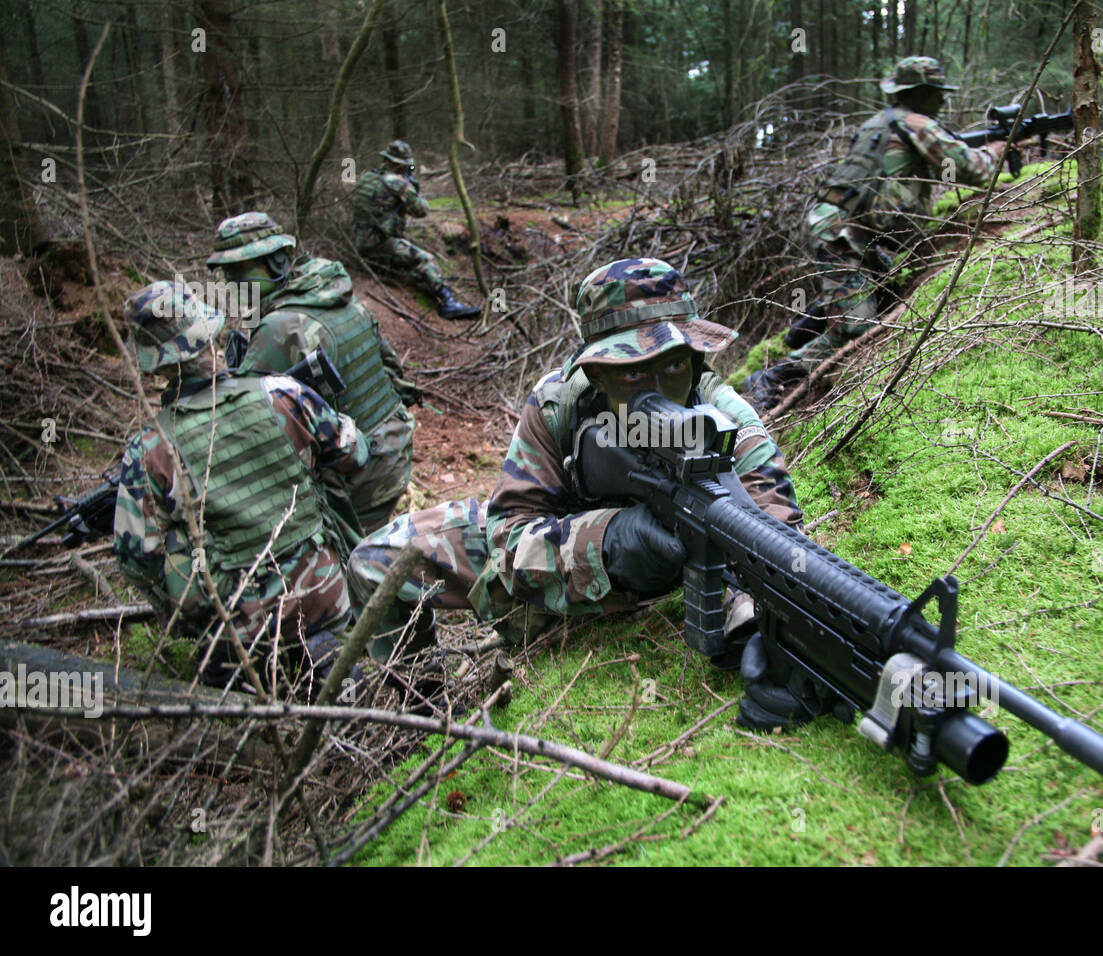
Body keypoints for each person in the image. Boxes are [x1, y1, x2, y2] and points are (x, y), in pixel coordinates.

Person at [346, 259, 809, 727]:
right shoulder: (557, 406)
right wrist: (611, 542)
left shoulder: (723, 417)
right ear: (598, 374)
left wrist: (773, 629)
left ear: (696, 358)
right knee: (375, 560)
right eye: (630, 373)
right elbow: (508, 540)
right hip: (576, 565)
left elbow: (779, 538)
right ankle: (426, 718)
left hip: (661, 580)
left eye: (673, 365)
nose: (657, 392)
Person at [112, 280, 370, 691]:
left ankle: (230, 658)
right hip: (328, 595)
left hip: (240, 621)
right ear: (209, 335)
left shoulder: (150, 449)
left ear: (154, 364)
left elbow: (135, 558)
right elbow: (355, 456)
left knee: (176, 538)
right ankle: (311, 648)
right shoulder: (283, 393)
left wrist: (180, 613)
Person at [744, 56, 1011, 411]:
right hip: (844, 235)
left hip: (853, 232)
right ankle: (774, 375)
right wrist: (995, 152)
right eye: (937, 93)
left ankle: (808, 324)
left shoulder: (879, 123)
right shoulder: (916, 124)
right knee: (857, 327)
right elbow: (968, 168)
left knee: (883, 291)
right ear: (922, 93)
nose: (942, 101)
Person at [206, 211, 416, 534]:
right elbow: (393, 372)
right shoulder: (338, 297)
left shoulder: (281, 327)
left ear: (276, 263)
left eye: (239, 270)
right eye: (226, 273)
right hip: (394, 450)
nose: (232, 284)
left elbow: (242, 428)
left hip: (359, 475)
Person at [352, 139, 480, 320]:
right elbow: (421, 210)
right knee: (426, 259)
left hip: (359, 240)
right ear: (399, 164)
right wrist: (411, 187)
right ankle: (448, 303)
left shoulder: (367, 177)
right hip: (378, 244)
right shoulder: (398, 183)